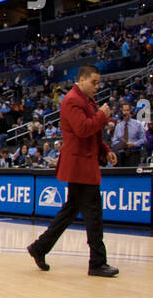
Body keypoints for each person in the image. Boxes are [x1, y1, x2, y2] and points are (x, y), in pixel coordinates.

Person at [27, 65, 118, 277]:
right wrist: (103, 116)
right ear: (82, 79)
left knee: (70, 212)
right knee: (93, 214)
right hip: (80, 166)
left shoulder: (87, 100)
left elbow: (93, 135)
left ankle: (39, 247)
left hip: (84, 163)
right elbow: (84, 128)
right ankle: (97, 262)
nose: (97, 86)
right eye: (94, 82)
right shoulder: (72, 100)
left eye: (98, 83)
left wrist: (105, 150)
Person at [110, 103, 144, 167]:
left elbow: (143, 140)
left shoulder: (137, 124)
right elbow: (113, 142)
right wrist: (121, 143)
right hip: (121, 156)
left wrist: (134, 144)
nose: (126, 112)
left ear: (130, 111)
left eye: (127, 110)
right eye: (124, 110)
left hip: (134, 154)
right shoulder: (118, 126)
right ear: (122, 111)